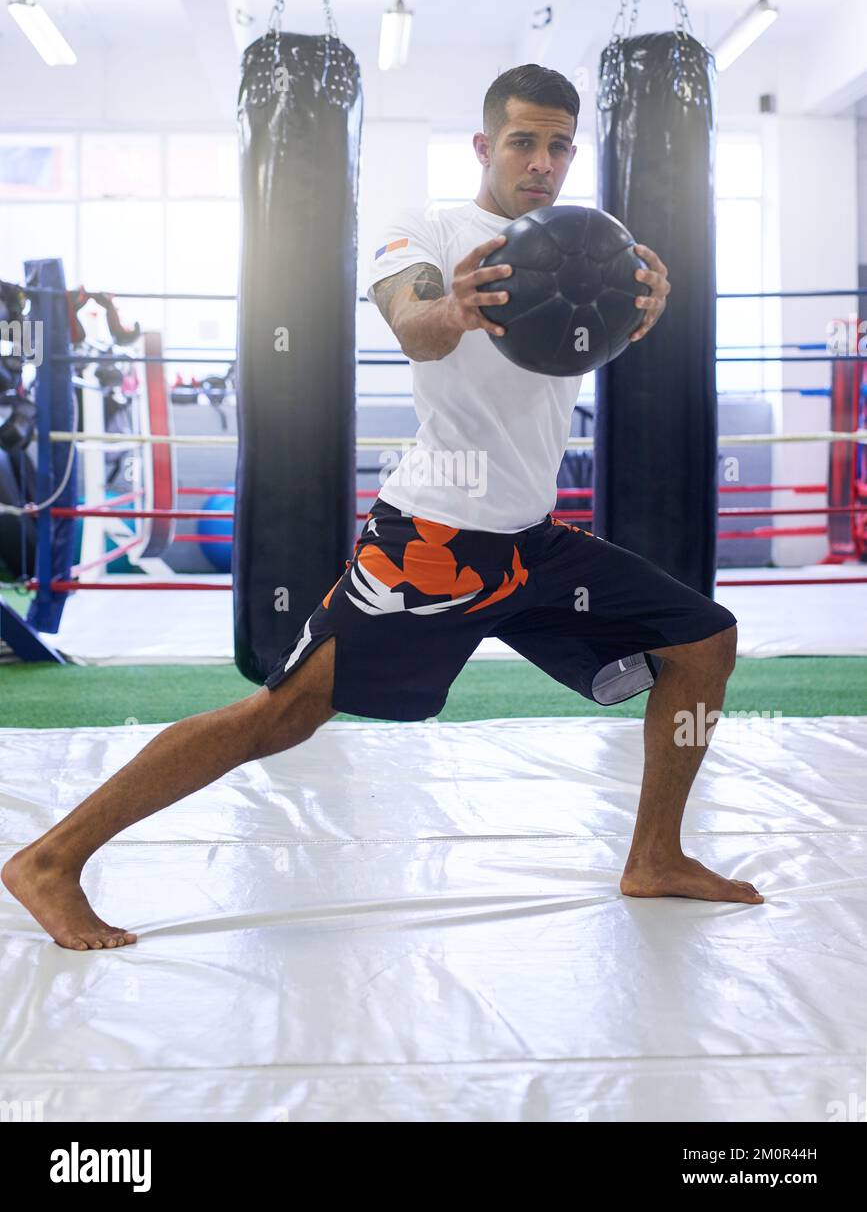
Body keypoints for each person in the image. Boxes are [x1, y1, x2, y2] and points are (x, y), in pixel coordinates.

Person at [2, 63, 761, 950]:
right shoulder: (426, 233)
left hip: (529, 543)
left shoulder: (586, 240)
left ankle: (656, 856)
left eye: (559, 144)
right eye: (522, 141)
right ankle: (52, 859)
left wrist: (639, 310)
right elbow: (415, 325)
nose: (541, 161)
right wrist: (462, 307)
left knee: (704, 641)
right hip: (433, 541)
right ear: (485, 145)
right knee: (279, 716)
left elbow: (577, 347)